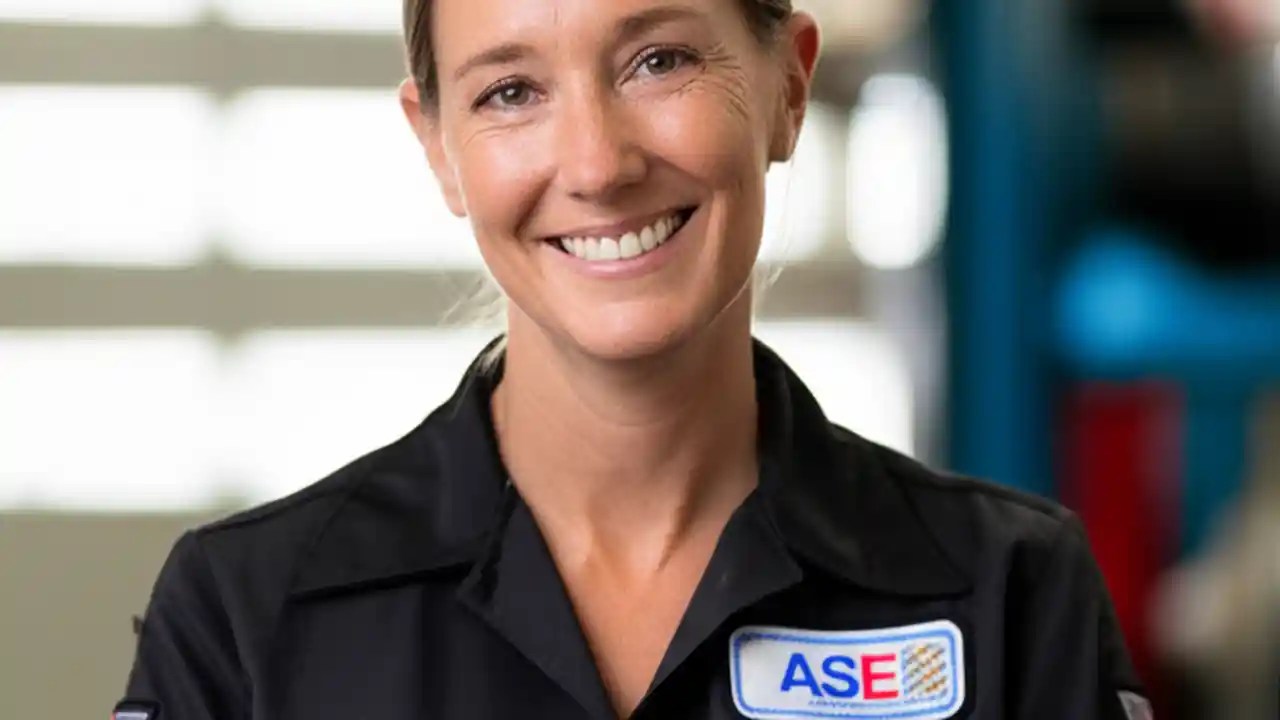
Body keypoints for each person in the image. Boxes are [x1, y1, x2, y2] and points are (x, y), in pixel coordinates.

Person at [114, 1, 1150, 718]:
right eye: (511, 91)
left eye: (659, 61)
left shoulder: (1006, 595)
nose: (599, 165)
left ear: (789, 84)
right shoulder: (248, 618)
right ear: (436, 148)